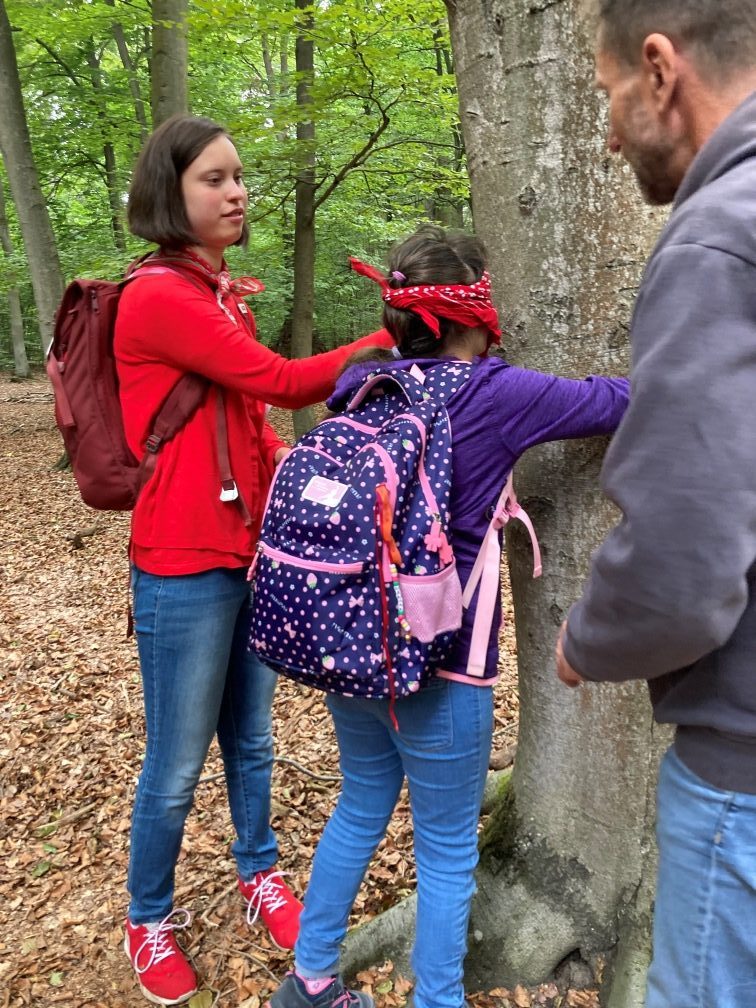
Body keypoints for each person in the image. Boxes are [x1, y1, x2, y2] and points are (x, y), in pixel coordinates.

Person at [265, 224, 630, 1008]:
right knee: (446, 849)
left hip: (350, 641)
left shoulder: (363, 384)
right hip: (442, 664)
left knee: (360, 802)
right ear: (476, 311)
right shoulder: (494, 393)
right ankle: (438, 1000)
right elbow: (614, 402)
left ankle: (310, 978)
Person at [113, 113, 394, 1006]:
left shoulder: (218, 288)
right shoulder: (160, 295)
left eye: (239, 177)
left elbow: (247, 422)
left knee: (256, 742)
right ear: (171, 193)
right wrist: (391, 337)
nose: (237, 192)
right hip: (182, 561)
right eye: (214, 179)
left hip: (246, 549)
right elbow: (278, 380)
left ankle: (258, 874)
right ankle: (147, 917)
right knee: (175, 765)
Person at [554, 3, 756, 1006]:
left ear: (659, 69)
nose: (606, 132)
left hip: (746, 775)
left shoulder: (715, 242)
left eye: (607, 99)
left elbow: (684, 563)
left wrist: (589, 637)